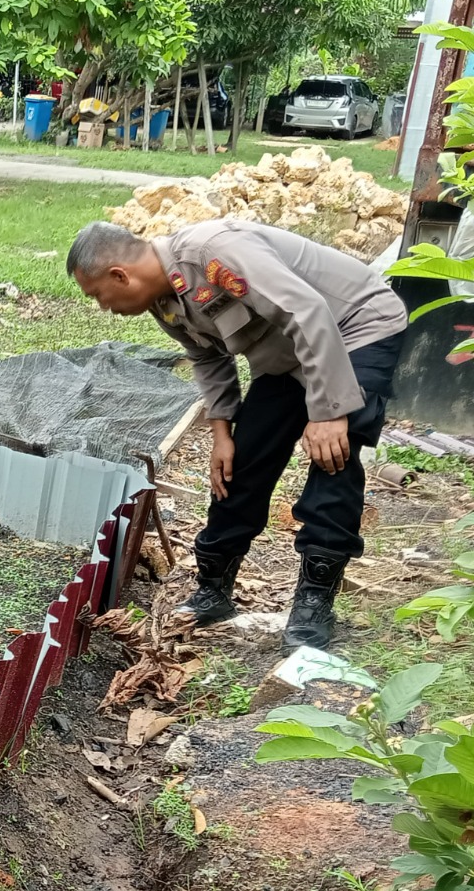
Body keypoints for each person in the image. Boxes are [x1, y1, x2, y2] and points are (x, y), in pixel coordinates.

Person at [66, 218, 408, 651]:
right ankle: (214, 589)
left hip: (354, 329)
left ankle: (314, 602)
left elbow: (306, 311)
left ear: (120, 275)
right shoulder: (163, 297)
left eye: (97, 295)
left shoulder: (215, 253)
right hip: (287, 352)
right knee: (241, 463)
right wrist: (222, 432)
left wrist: (329, 409)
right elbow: (206, 358)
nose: (102, 307)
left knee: (332, 458)